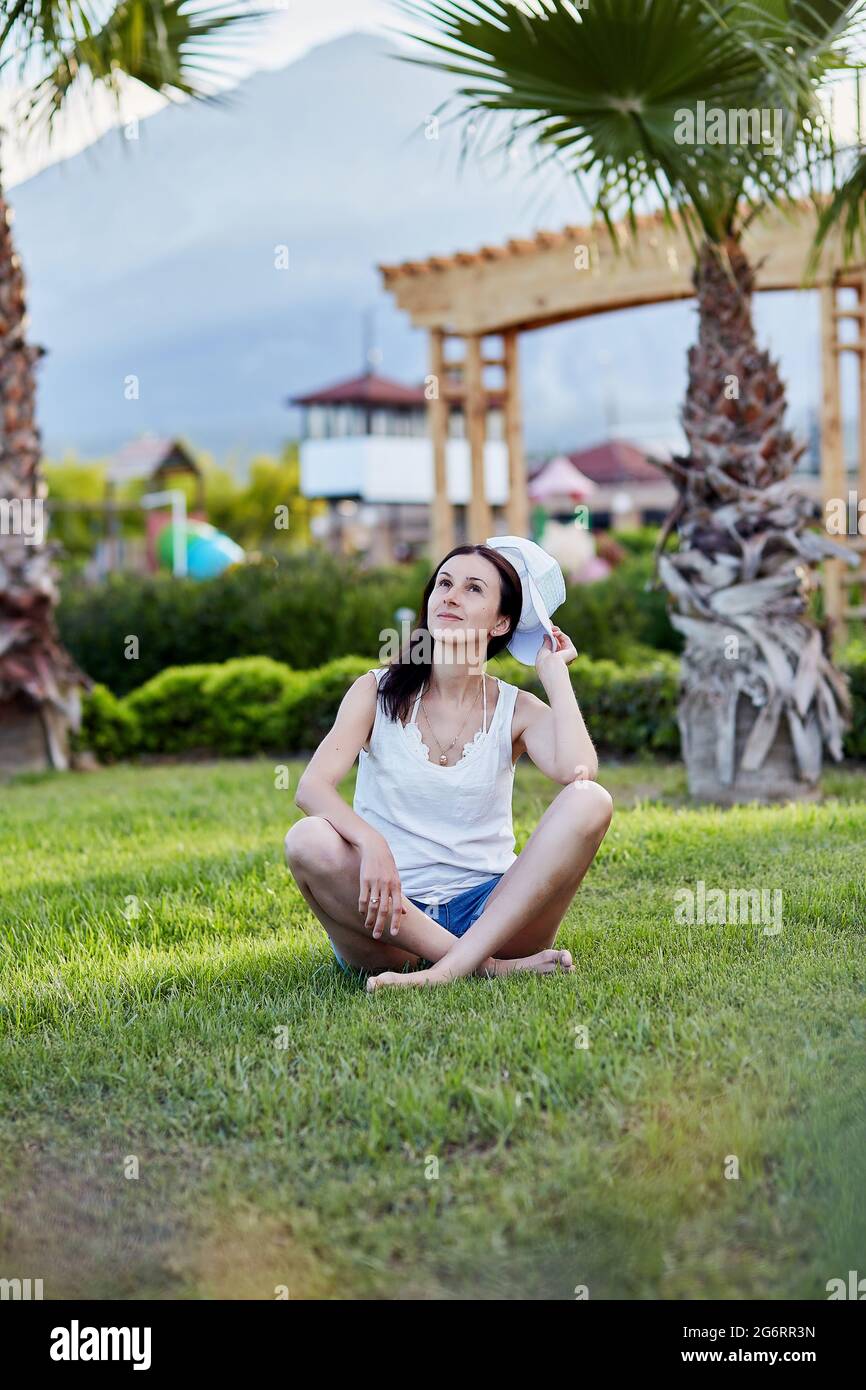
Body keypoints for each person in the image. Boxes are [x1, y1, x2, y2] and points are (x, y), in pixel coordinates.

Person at [284, 537, 613, 992]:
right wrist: (371, 842)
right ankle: (485, 968)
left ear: (502, 622)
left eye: (474, 588)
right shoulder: (375, 691)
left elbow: (579, 772)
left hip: (493, 916)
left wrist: (555, 675)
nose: (451, 596)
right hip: (390, 913)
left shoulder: (516, 709)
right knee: (307, 839)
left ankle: (449, 968)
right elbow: (312, 789)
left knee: (590, 801)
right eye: (444, 582)